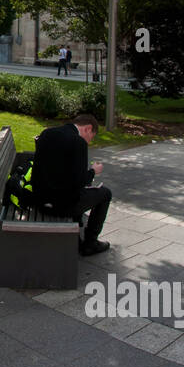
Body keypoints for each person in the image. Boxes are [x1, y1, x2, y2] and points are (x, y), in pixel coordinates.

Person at [29, 109, 112, 256]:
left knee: (68, 189)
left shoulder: (47, 133)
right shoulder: (78, 142)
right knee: (105, 193)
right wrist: (93, 171)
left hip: (39, 201)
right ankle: (90, 243)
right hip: (60, 206)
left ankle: (76, 236)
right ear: (88, 128)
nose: (89, 141)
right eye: (91, 137)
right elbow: (79, 183)